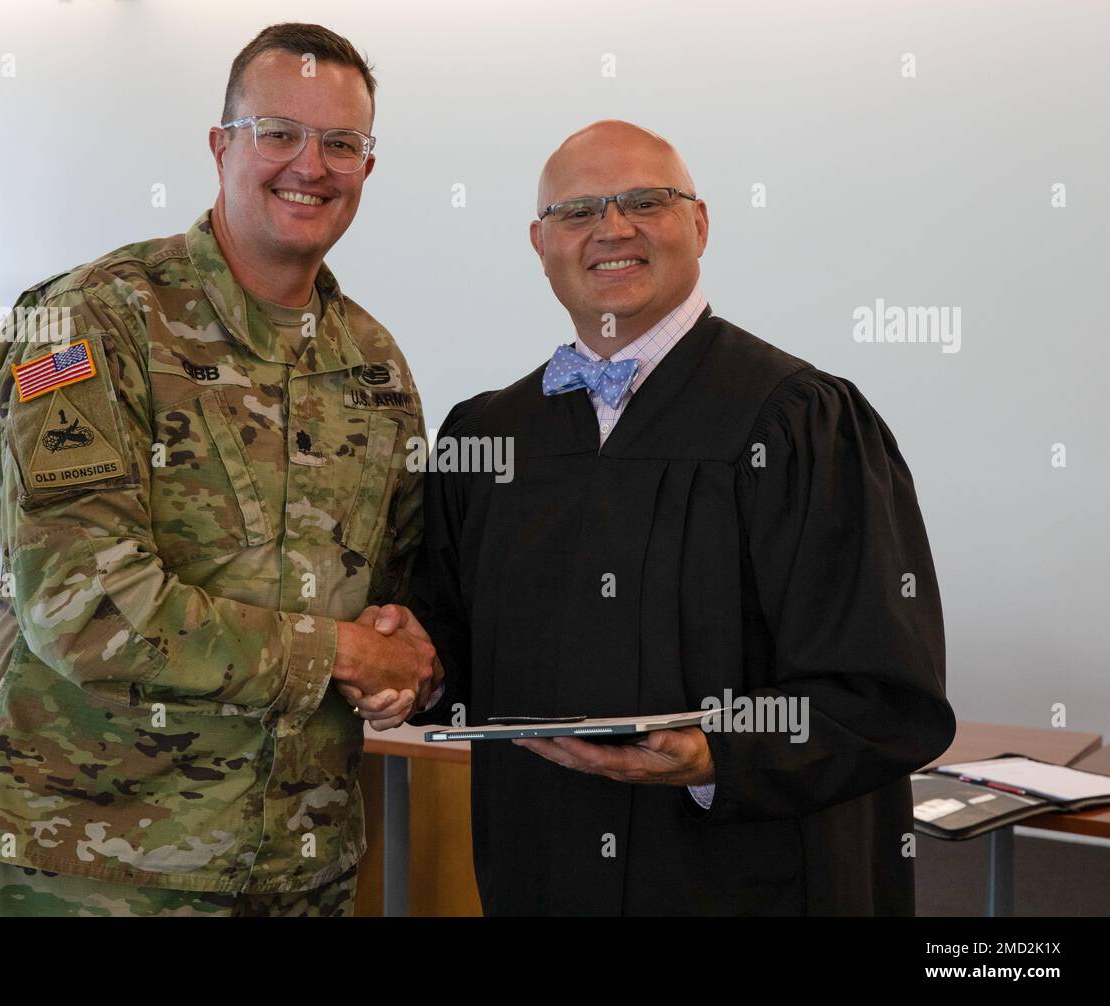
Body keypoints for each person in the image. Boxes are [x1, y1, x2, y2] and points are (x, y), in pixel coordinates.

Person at [392, 120, 956, 915]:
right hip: (541, 868)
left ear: (700, 223)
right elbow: (455, 649)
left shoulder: (799, 422)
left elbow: (887, 698)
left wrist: (718, 756)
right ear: (539, 241)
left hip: (746, 878)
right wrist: (409, 665)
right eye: (579, 210)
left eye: (645, 202)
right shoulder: (488, 436)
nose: (612, 228)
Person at [0, 22, 439, 918]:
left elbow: (399, 595)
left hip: (300, 871)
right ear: (221, 147)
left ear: (369, 165)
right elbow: (85, 609)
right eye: (278, 133)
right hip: (95, 873)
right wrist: (338, 650)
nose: (311, 165)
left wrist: (411, 664)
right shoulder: (93, 325)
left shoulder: (373, 366)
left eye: (342, 143)